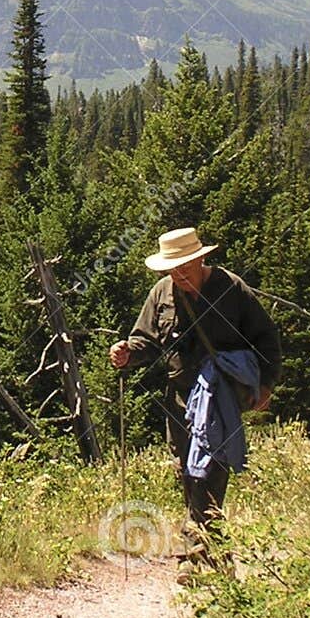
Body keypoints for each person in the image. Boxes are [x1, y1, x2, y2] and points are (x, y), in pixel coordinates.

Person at [108, 227, 280, 558]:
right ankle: (212, 548)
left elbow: (266, 338)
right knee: (185, 467)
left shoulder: (231, 288)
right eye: (172, 269)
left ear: (200, 259)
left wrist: (266, 385)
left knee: (212, 465)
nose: (179, 274)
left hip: (222, 397)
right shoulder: (161, 294)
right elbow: (146, 340)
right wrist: (128, 352)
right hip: (180, 399)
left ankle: (195, 547)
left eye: (185, 266)